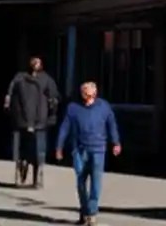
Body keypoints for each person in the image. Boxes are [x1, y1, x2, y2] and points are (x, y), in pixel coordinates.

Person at [55, 82, 121, 226]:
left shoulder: (104, 107)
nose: (86, 95)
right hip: (79, 150)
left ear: (95, 93)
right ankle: (84, 210)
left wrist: (115, 142)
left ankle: (91, 213)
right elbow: (65, 128)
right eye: (83, 92)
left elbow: (112, 124)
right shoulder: (73, 108)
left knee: (96, 183)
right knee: (80, 181)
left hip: (98, 149)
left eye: (88, 92)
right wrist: (59, 147)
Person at [4, 56, 60, 188]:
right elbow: (54, 100)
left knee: (31, 149)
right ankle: (29, 172)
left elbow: (53, 99)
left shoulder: (42, 79)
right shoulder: (39, 79)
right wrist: (52, 113)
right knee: (34, 149)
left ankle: (31, 173)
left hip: (30, 119)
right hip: (33, 119)